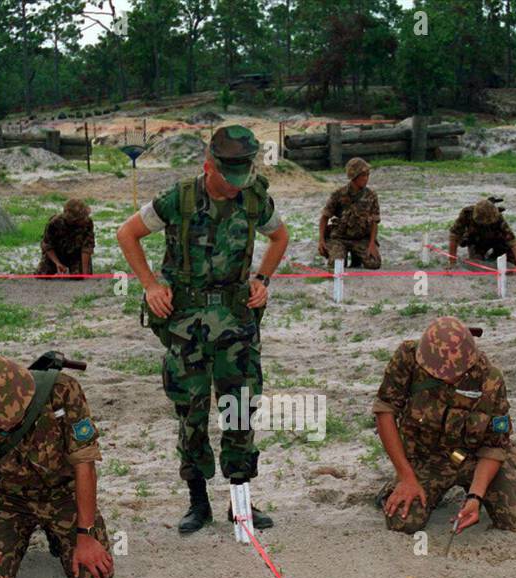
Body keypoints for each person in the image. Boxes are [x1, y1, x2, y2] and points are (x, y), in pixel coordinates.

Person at [116, 125, 289, 534]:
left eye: (241, 175)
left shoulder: (253, 197)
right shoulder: (179, 199)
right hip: (187, 326)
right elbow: (128, 233)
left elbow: (279, 236)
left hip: (236, 324)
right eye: (227, 176)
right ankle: (198, 503)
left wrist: (262, 279)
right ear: (208, 165)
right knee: (191, 412)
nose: (234, 185)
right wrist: (151, 285)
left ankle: (240, 503)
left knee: (240, 409)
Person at [0, 355, 114, 578]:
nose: (1, 426)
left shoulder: (62, 391)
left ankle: (60, 537)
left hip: (63, 495)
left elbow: (85, 465)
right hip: (9, 499)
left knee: (91, 575)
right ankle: (43, 535)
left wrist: (87, 535)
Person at [374, 316, 516, 536]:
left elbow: (494, 445)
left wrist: (475, 497)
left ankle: (509, 470)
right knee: (402, 522)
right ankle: (397, 485)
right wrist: (406, 477)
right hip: (427, 459)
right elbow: (385, 410)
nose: (448, 379)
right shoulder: (408, 357)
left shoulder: (490, 380)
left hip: (474, 458)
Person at [319, 157, 381, 269]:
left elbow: (374, 222)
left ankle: (356, 256)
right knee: (336, 266)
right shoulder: (339, 194)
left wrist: (372, 244)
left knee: (374, 263)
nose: (366, 178)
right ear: (354, 177)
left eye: (367, 175)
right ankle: (339, 253)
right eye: (363, 176)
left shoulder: (371, 195)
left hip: (361, 238)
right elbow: (324, 218)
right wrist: (321, 241)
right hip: (340, 238)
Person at [448, 198, 516, 270]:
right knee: (476, 263)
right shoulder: (466, 213)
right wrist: (452, 262)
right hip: (476, 241)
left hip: (496, 240)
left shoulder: (498, 218)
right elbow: (454, 236)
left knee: (512, 260)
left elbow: (513, 242)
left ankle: (495, 254)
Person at [38, 199, 95, 276]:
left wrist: (85, 272)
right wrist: (57, 263)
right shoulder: (54, 223)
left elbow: (87, 247)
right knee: (42, 275)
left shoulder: (87, 222)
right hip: (57, 253)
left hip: (76, 256)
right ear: (73, 220)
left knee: (80, 277)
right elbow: (47, 245)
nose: (85, 219)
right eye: (81, 218)